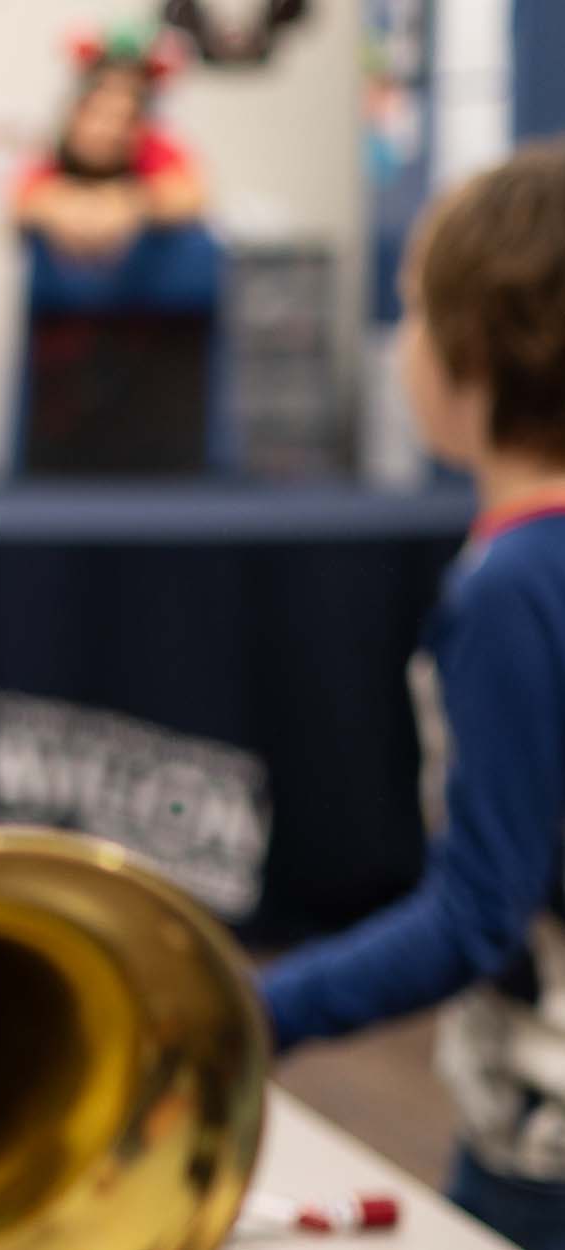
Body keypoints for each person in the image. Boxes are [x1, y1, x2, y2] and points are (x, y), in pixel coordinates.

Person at [258, 142, 565, 1250]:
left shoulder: (514, 586)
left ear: (470, 349)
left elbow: (479, 909)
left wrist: (257, 1008)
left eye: (410, 313)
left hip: (543, 1146)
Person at [12, 24, 207, 264]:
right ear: (77, 111)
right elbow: (18, 202)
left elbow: (192, 194)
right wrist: (69, 207)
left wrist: (129, 204)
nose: (108, 129)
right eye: (98, 113)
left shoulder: (151, 146)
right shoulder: (55, 149)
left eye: (123, 118)